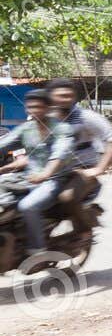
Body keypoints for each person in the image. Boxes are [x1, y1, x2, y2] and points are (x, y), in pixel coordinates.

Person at [0, 91, 76, 257]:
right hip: (27, 177)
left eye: (37, 107)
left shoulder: (62, 129)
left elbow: (61, 152)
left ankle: (38, 249)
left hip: (53, 180)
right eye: (29, 107)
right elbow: (4, 143)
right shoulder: (26, 129)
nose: (32, 111)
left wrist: (46, 173)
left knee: (27, 206)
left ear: (47, 108)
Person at [45, 79, 112, 179]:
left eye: (69, 96)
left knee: (66, 195)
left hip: (81, 170)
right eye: (61, 96)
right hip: (50, 170)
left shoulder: (85, 116)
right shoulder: (45, 118)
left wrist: (99, 169)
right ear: (50, 98)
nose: (66, 100)